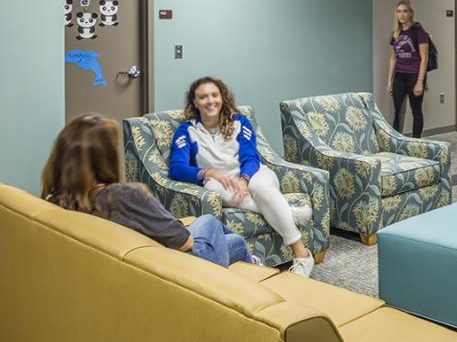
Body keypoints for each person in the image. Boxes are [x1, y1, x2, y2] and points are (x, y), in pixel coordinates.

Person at [41, 114, 254, 268]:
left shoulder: (55, 200)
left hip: (149, 265)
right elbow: (185, 241)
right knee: (213, 223)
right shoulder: (124, 196)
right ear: (106, 157)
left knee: (232, 240)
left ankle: (251, 262)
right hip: (183, 270)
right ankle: (250, 272)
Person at [168, 76, 315, 277]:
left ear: (222, 97)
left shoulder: (240, 122)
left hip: (253, 173)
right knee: (213, 189)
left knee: (262, 188)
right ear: (194, 102)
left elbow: (250, 158)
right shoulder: (187, 131)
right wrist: (210, 172)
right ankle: (289, 213)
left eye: (214, 95)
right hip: (218, 182)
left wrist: (244, 181)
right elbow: (177, 168)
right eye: (203, 97)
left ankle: (302, 255)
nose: (210, 101)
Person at [386, 0, 429, 138]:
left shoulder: (418, 31)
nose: (402, 14)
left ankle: (416, 142)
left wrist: (420, 81)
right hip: (399, 75)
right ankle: (397, 142)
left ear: (411, 13)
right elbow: (393, 58)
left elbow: (424, 58)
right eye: (399, 11)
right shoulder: (396, 33)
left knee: (416, 110)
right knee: (397, 111)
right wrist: (389, 81)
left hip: (414, 75)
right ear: (396, 14)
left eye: (405, 11)